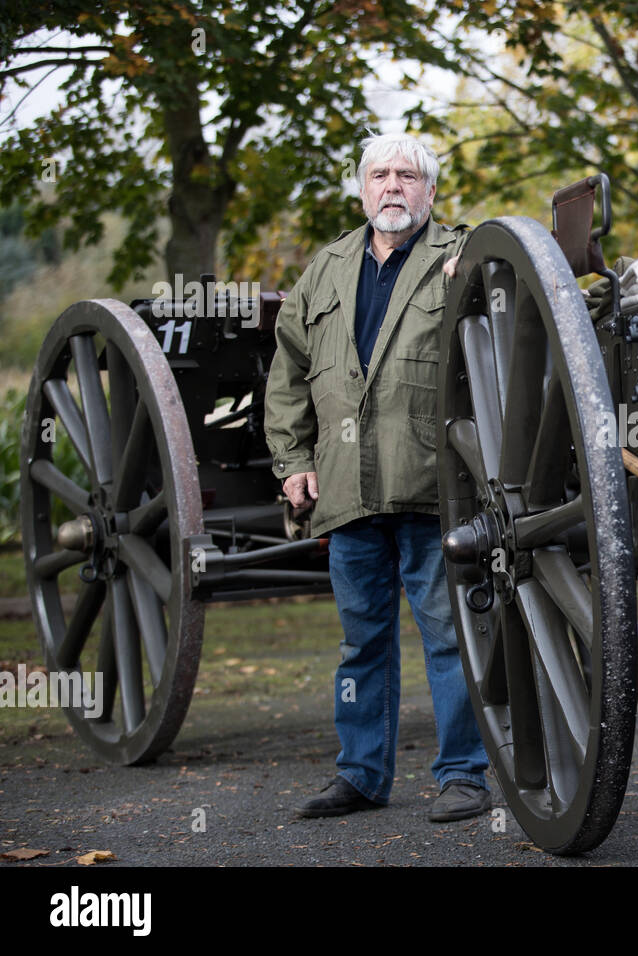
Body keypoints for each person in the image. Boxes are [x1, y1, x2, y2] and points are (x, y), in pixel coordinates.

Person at [263, 132, 490, 822]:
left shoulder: (463, 257)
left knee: (450, 635)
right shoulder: (325, 270)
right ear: (362, 188)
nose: (393, 186)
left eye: (408, 176)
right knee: (361, 642)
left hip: (433, 487)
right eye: (380, 175)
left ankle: (465, 776)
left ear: (430, 191)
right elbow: (288, 376)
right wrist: (294, 460)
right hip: (347, 490)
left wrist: (481, 278)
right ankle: (361, 776)